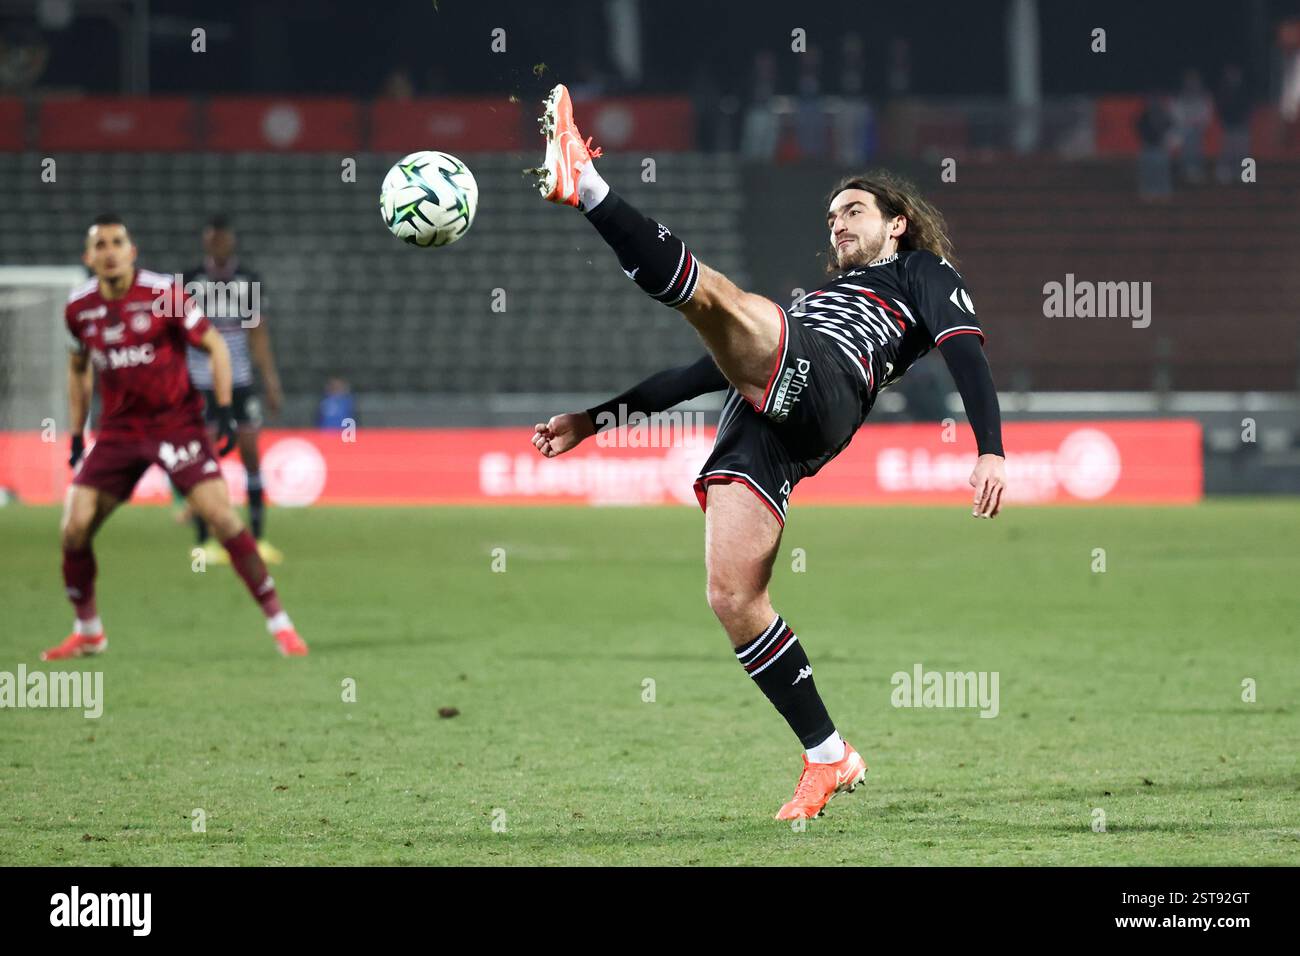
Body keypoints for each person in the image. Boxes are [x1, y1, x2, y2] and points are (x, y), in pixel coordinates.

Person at [527, 86, 1006, 820]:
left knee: (714, 300)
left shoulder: (920, 274)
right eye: (832, 216)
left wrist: (990, 450)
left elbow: (964, 349)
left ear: (897, 224)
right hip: (762, 424)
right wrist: (596, 420)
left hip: (828, 383)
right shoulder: (819, 296)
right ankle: (829, 755)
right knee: (733, 598)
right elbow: (702, 372)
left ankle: (586, 184)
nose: (838, 222)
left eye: (854, 210)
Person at [45, 214, 307, 661]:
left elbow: (215, 345)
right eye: (100, 245)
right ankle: (88, 631)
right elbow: (78, 370)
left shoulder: (164, 293)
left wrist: (222, 409)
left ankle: (280, 624)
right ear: (88, 257)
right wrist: (75, 433)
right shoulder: (79, 308)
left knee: (222, 518)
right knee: (74, 526)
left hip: (175, 424)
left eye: (117, 242)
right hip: (119, 432)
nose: (109, 251)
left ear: (132, 251)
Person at [183, 215, 285, 566]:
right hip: (201, 383)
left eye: (223, 239)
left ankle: (258, 538)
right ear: (205, 242)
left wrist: (270, 381)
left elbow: (259, 334)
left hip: (240, 381)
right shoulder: (189, 281)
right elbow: (174, 333)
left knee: (251, 453)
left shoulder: (248, 281)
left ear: (232, 241)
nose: (218, 244)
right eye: (213, 239)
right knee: (204, 459)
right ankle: (204, 542)